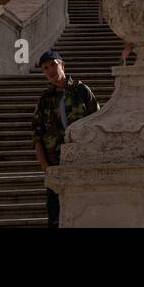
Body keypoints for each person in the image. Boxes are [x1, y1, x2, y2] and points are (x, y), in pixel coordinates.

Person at [32, 50, 100, 227]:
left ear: (62, 65)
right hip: (55, 163)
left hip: (83, 161)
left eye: (53, 64)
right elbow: (37, 136)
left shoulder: (81, 90)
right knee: (55, 217)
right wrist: (45, 167)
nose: (50, 70)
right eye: (45, 68)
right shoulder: (44, 99)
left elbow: (97, 123)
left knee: (86, 213)